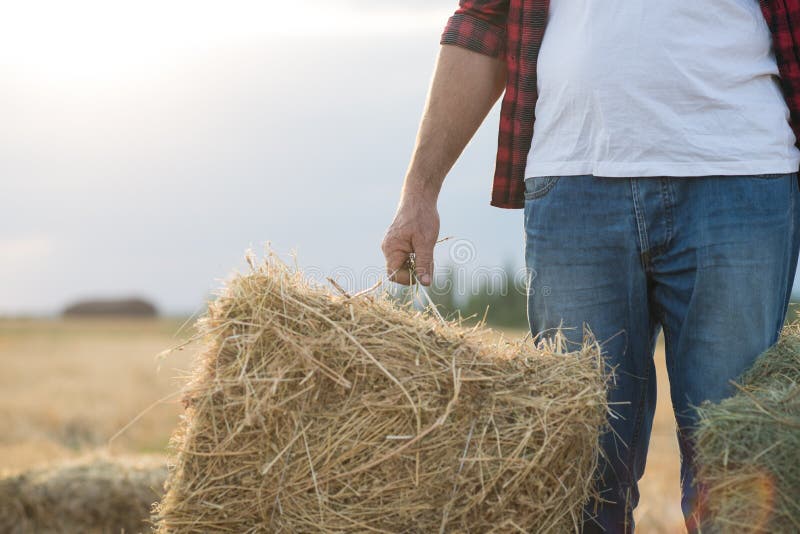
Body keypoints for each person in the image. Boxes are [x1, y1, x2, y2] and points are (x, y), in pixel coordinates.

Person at [380, 1, 800, 532]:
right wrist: (420, 191)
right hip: (574, 181)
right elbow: (482, 21)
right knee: (576, 478)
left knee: (738, 477)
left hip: (740, 173)